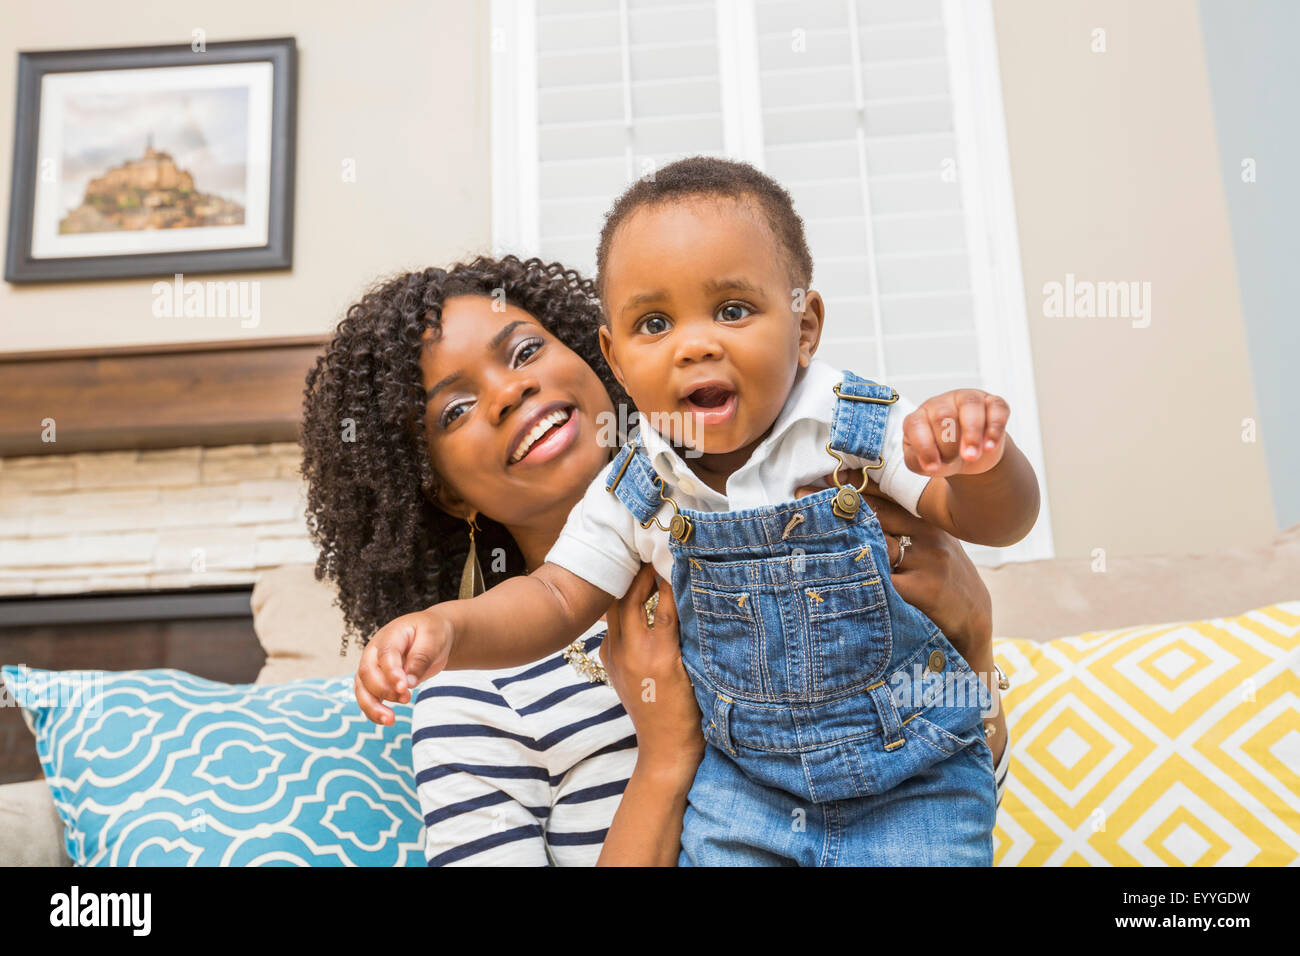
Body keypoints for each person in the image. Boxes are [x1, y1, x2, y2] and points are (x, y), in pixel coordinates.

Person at [306, 256, 1010, 866]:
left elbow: (947, 805)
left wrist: (972, 637)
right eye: (454, 409)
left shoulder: (797, 511)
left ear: (594, 357)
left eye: (524, 353)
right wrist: (667, 754)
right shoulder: (473, 691)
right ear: (440, 491)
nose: (508, 392)